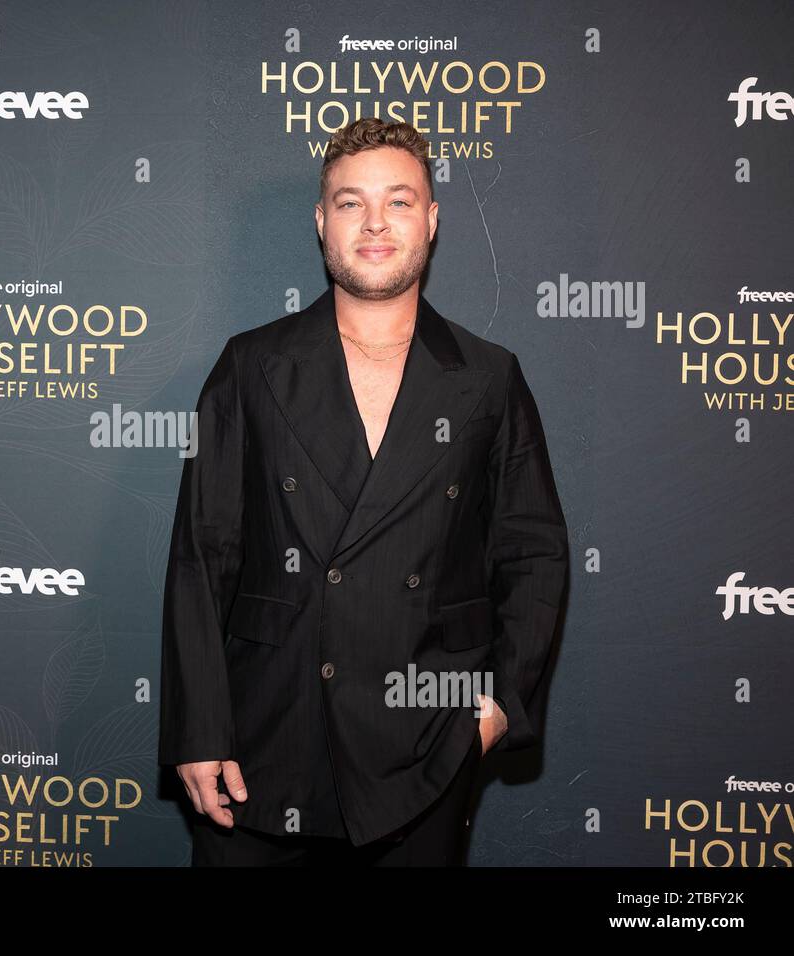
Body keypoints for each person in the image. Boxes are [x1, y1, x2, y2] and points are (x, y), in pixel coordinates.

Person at [157, 116, 570, 866]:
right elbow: (201, 554)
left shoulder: (488, 377)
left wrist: (493, 712)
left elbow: (534, 552)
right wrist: (199, 729)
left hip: (422, 747)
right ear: (322, 223)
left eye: (399, 201)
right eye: (350, 202)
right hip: (263, 747)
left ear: (433, 220)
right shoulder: (251, 367)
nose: (375, 223)